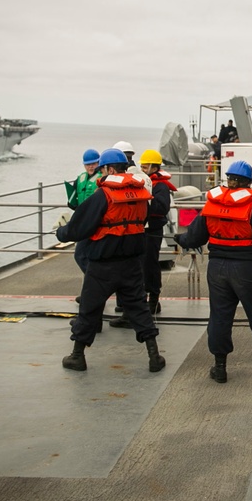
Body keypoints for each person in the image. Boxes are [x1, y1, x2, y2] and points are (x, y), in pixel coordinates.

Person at [175, 160, 252, 384]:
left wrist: (180, 239)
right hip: (248, 270)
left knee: (220, 317)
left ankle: (219, 368)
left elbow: (193, 238)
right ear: (249, 183)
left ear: (228, 180)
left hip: (217, 270)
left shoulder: (211, 206)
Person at [56, 148, 164, 373]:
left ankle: (77, 356)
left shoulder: (103, 195)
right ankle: (154, 355)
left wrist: (61, 232)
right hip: (132, 264)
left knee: (89, 309)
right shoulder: (141, 193)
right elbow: (145, 219)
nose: (101, 173)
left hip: (102, 265)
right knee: (139, 308)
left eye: (103, 169)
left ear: (109, 169)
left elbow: (79, 227)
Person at [115, 149, 174, 323]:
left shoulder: (160, 186)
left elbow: (162, 207)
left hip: (152, 232)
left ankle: (153, 301)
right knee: (135, 266)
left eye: (146, 166)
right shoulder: (140, 182)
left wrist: (145, 201)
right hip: (138, 229)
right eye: (142, 166)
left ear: (155, 168)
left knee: (149, 266)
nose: (143, 169)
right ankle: (134, 303)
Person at [67, 148, 101, 274]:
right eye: (88, 164)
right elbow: (73, 199)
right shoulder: (80, 179)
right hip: (83, 222)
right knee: (80, 255)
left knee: (84, 254)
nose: (90, 167)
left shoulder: (103, 178)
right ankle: (94, 279)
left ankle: (94, 279)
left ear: (99, 163)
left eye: (93, 163)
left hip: (97, 221)